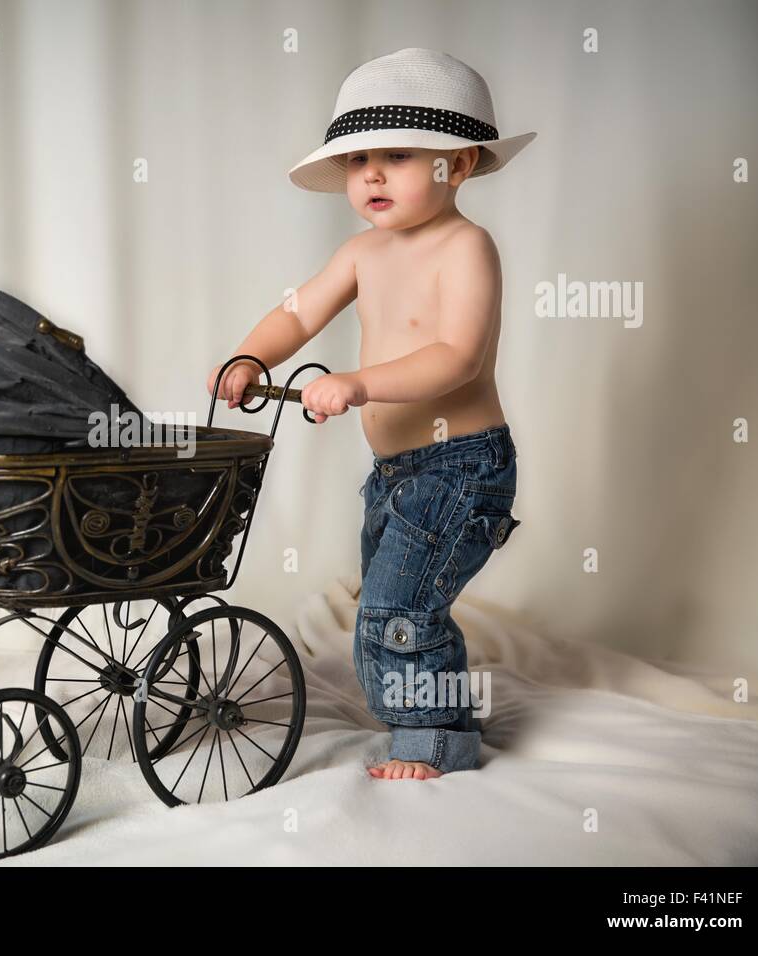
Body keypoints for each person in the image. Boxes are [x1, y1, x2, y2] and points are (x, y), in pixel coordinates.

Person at [207, 48, 534, 778]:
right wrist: (252, 358)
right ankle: (434, 716)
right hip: (395, 473)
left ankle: (435, 743)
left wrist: (359, 382)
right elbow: (297, 314)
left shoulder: (466, 247)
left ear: (463, 164)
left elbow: (458, 357)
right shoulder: (362, 253)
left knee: (399, 610)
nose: (372, 175)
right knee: (391, 607)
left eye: (397, 156)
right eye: (357, 162)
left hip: (463, 466)